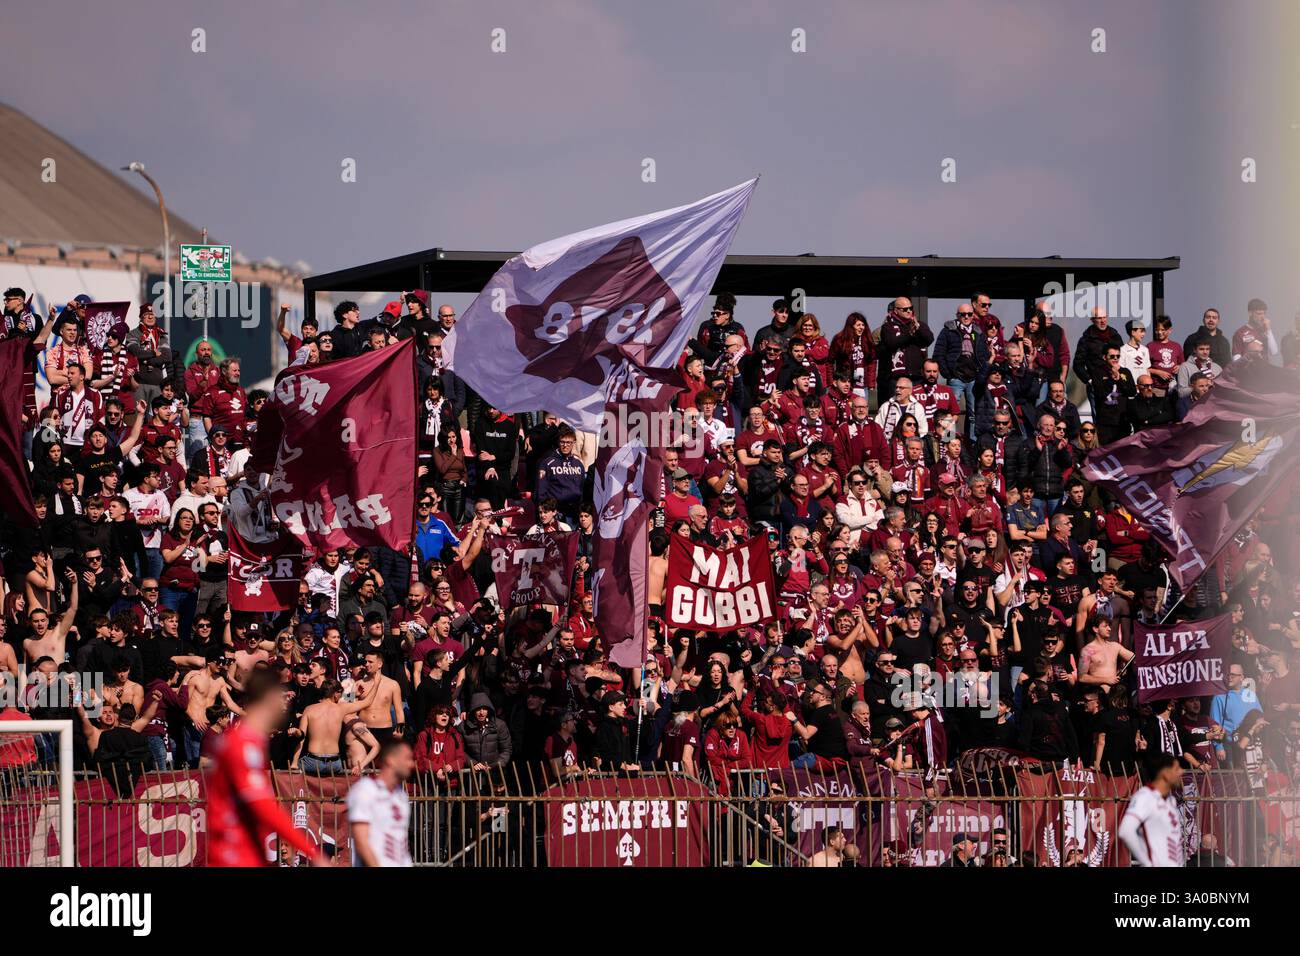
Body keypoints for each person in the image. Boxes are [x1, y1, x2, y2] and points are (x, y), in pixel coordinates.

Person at [205, 670, 324, 867]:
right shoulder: (243, 743)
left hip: (245, 853)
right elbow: (263, 805)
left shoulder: (248, 740)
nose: (285, 704)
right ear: (270, 698)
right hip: (234, 856)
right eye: (281, 697)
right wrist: (311, 851)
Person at [347, 738, 415, 867]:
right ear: (391, 760)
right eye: (407, 758)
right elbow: (362, 842)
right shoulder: (366, 790)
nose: (411, 764)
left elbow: (401, 844)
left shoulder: (401, 795)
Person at [1118, 753, 1186, 867]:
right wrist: (1147, 862)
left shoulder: (1170, 800)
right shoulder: (1145, 796)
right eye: (1177, 768)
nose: (1182, 771)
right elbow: (1125, 831)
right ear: (1165, 773)